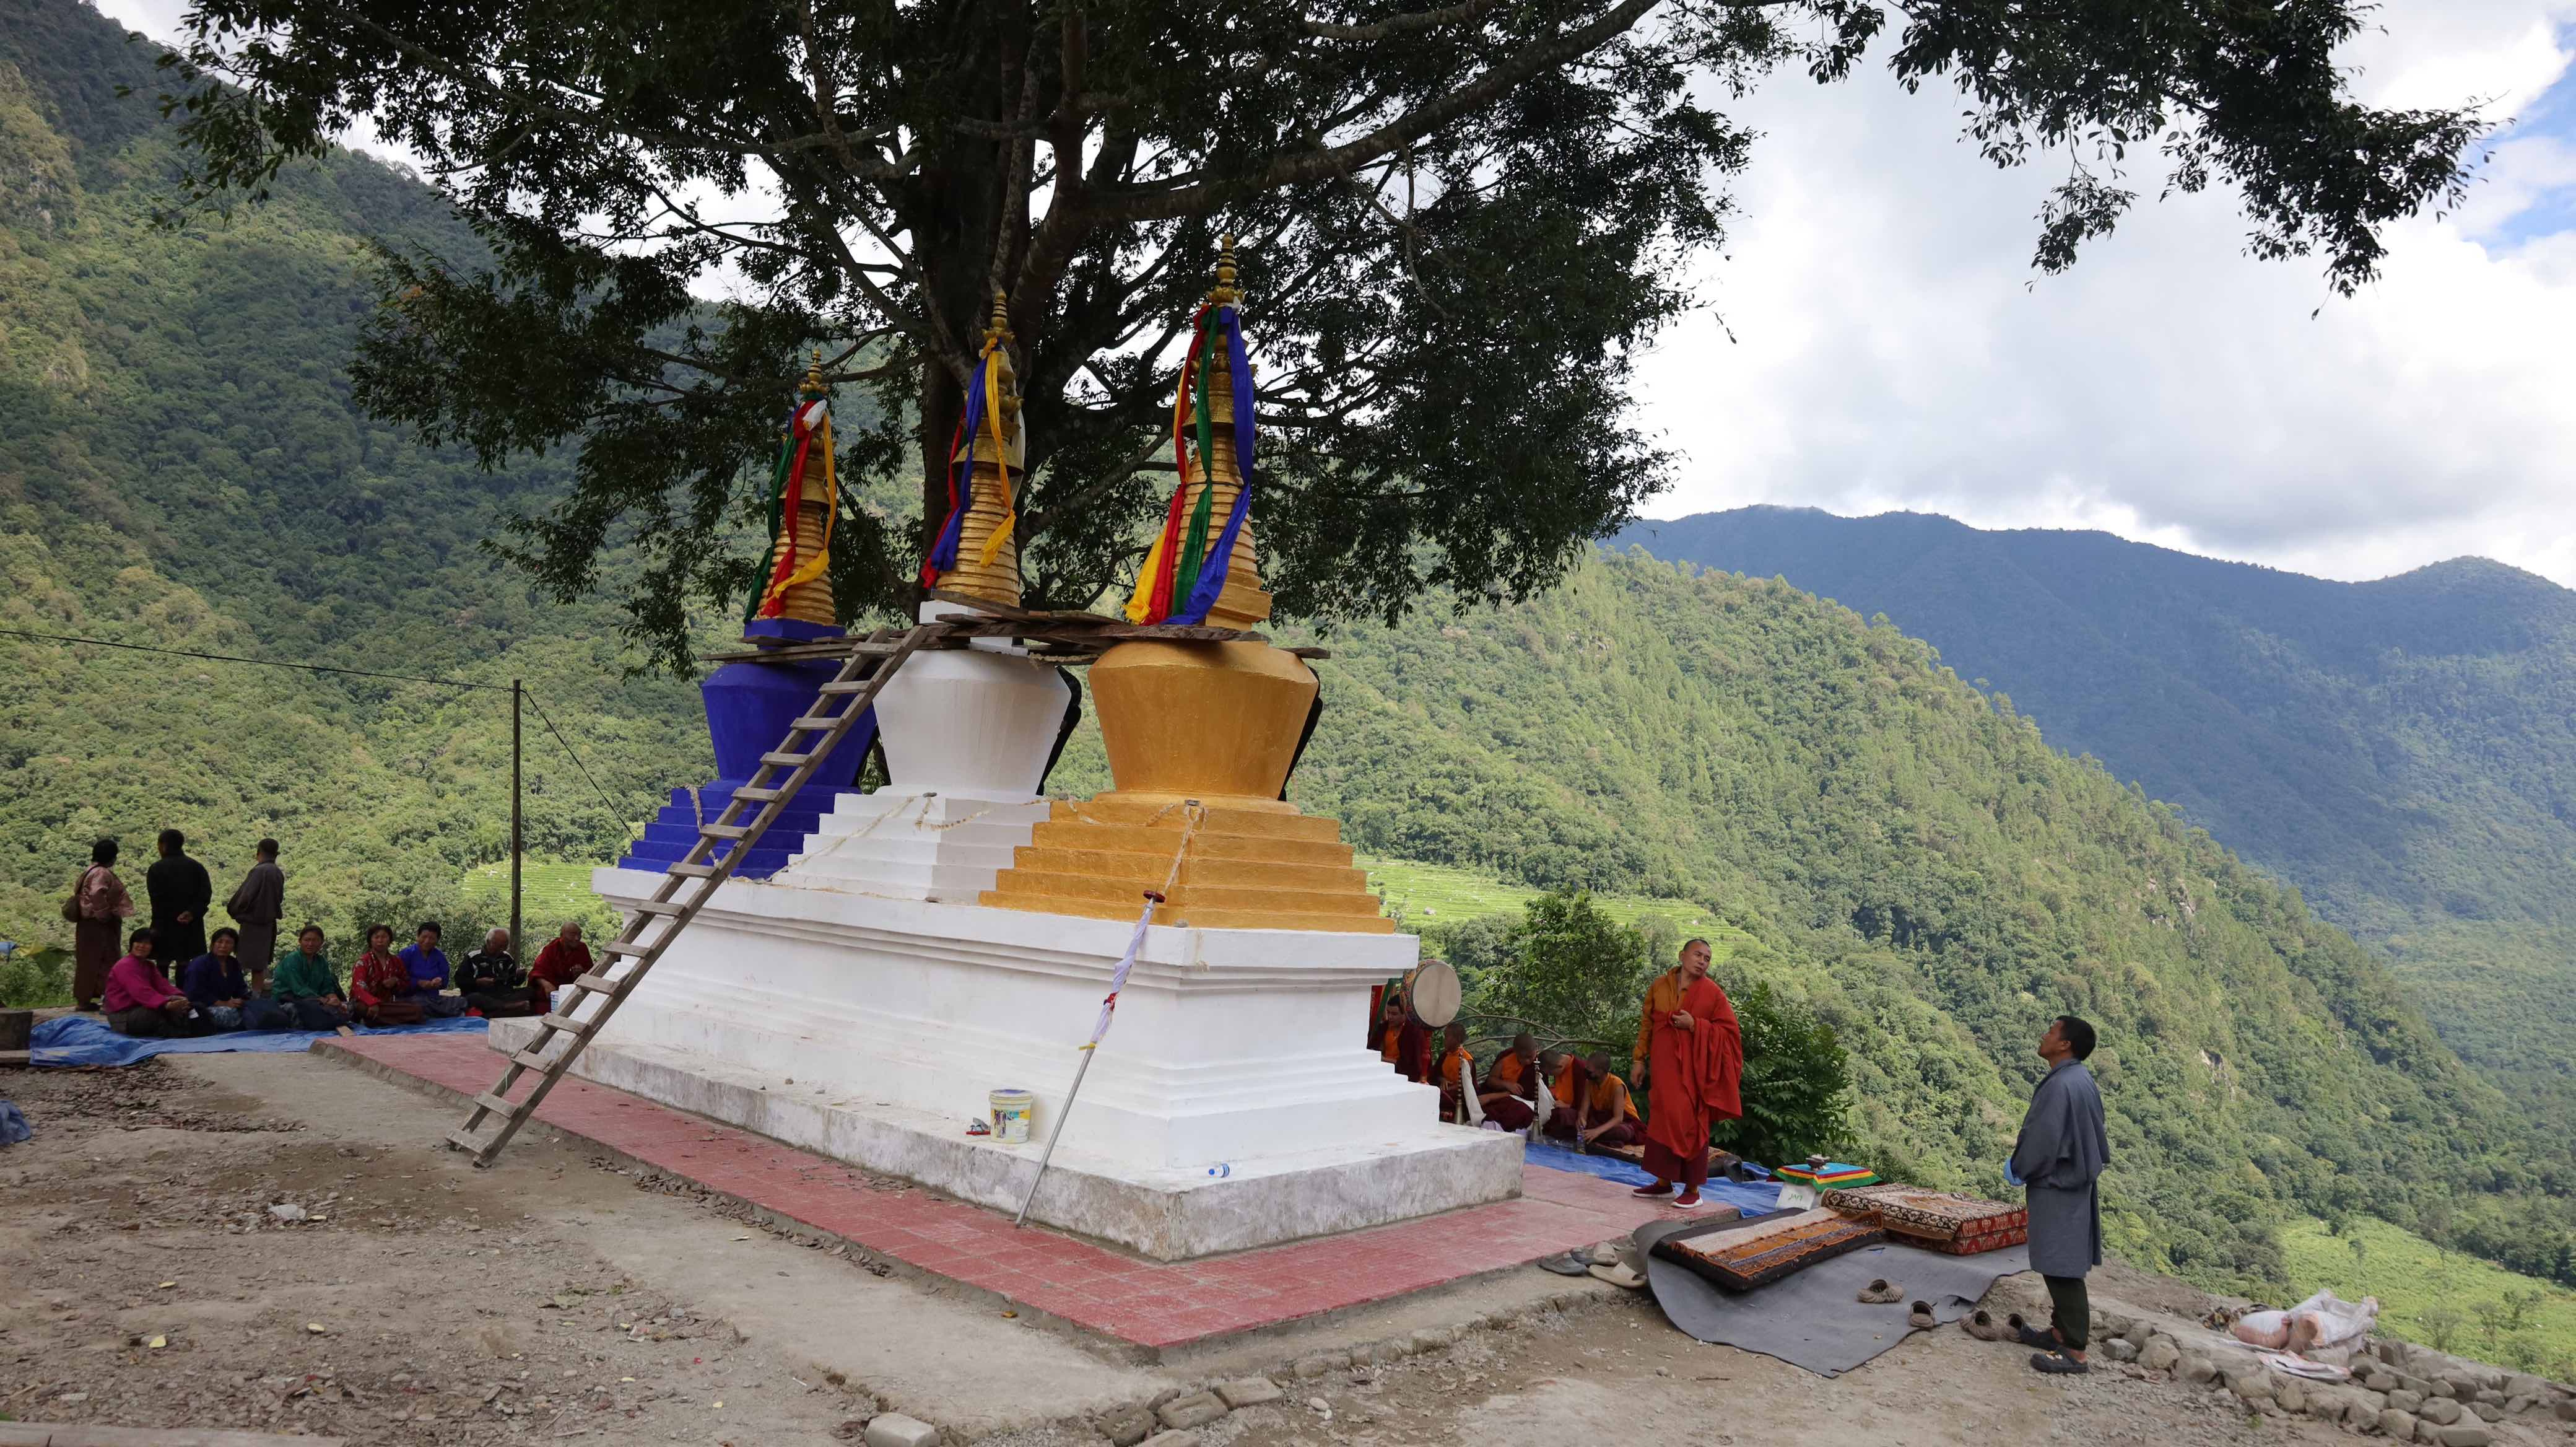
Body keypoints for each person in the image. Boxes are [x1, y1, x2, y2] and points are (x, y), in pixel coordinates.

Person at [2011, 1015, 2111, 1375]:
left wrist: (2020, 1166)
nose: (2044, 1035)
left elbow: (2043, 1138)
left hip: (2058, 1183)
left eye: (2052, 1031)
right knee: (2061, 1257)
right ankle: (2058, 1331)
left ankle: (2074, 1351)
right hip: (2073, 1181)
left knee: (2061, 1265)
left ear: (2065, 1044)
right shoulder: (2079, 1080)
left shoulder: (2060, 1085)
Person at [1630, 938, 1743, 1210]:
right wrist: (1638, 1060)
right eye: (1698, 955)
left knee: (1690, 1122)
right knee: (1662, 1118)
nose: (1702, 961)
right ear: (1682, 955)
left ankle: (1693, 1189)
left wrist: (1696, 1025)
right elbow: (1648, 1023)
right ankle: (1663, 1182)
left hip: (1694, 1070)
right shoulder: (1659, 986)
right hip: (1664, 1065)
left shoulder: (1713, 993)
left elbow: (1730, 1033)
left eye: (1707, 958)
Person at [102, 928, 209, 1038]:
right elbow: (141, 991)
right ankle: (180, 1032)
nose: (142, 946)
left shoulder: (149, 966)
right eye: (138, 942)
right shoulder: (125, 965)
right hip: (123, 1017)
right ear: (132, 943)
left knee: (190, 1007)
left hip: (141, 1009)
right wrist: (166, 1004)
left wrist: (181, 997)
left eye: (147, 943)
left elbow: (163, 985)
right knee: (160, 1012)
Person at [71, 837, 136, 1013]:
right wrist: (104, 915)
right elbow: (97, 894)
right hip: (99, 924)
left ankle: (84, 1000)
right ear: (112, 857)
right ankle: (110, 1001)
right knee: (108, 960)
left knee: (87, 961)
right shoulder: (102, 873)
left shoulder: (89, 870)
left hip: (86, 925)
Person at [224, 838, 286, 992]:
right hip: (269, 923)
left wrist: (234, 910)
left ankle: (234, 992)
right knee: (259, 964)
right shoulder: (278, 873)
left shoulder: (259, 871)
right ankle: (256, 996)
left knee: (241, 961)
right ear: (276, 854)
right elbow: (279, 898)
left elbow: (245, 897)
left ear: (258, 853)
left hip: (252, 923)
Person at [1546, 1052, 1643, 1151]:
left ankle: (1594, 1136)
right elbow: (1584, 1109)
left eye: (1589, 1069)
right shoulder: (1590, 1082)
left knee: (1622, 1132)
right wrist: (1581, 1119)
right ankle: (1596, 1137)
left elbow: (1618, 1118)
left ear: (1600, 1071)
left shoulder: (1617, 1085)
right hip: (1598, 1120)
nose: (1586, 1070)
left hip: (1622, 1123)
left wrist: (1596, 1132)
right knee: (1565, 1115)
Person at [145, 828, 212, 969]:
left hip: (164, 922)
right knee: (185, 962)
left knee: (162, 962)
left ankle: (162, 991)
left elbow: (156, 899)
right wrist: (192, 912)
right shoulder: (197, 867)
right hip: (190, 924)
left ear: (163, 845)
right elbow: (205, 895)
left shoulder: (156, 868)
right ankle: (184, 991)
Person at [269, 924, 352, 1030]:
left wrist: (334, 999)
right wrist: (325, 1001)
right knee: (300, 1010)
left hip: (315, 1000)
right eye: (307, 940)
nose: (310, 944)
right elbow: (299, 990)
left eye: (315, 940)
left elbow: (327, 986)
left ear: (321, 943)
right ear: (300, 941)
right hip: (288, 1000)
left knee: (345, 1007)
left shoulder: (321, 961)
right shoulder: (293, 959)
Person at [352, 924, 432, 1026]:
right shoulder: (363, 961)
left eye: (384, 937)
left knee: (417, 1010)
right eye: (376, 937)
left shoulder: (396, 961)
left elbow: (406, 983)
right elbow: (358, 988)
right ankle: (377, 1019)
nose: (380, 940)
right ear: (370, 941)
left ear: (389, 940)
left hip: (386, 1005)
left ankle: (374, 1021)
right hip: (366, 1004)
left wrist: (396, 981)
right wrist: (372, 1002)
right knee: (363, 1009)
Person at [180, 928, 255, 1031]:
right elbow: (194, 993)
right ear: (213, 944)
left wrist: (241, 1001)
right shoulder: (199, 964)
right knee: (231, 1015)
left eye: (228, 943)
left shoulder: (233, 963)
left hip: (228, 1007)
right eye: (220, 942)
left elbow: (241, 989)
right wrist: (222, 1003)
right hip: (201, 1009)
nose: (223, 946)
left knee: (255, 1009)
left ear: (234, 947)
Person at [457, 929, 541, 1016]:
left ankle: (501, 1010)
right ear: (489, 942)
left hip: (503, 996)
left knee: (530, 991)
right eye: (499, 946)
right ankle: (508, 1008)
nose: (501, 950)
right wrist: (478, 982)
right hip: (483, 996)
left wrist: (520, 976)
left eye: (505, 947)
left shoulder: (506, 957)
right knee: (474, 998)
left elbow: (515, 982)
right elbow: (460, 981)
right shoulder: (473, 957)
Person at [393, 921, 469, 1018]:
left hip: (433, 998)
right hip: (410, 998)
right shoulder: (406, 954)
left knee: (460, 1001)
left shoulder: (440, 957)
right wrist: (418, 983)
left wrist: (439, 981)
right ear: (418, 936)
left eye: (432, 938)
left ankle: (441, 1012)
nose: (427, 941)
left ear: (437, 940)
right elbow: (398, 979)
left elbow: (444, 980)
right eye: (424, 937)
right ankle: (452, 1012)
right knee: (419, 1003)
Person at [1478, 1032, 1544, 1130]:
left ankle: (1495, 1127)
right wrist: (1506, 1084)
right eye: (1522, 1057)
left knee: (1520, 1111)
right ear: (1515, 1052)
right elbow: (1491, 1080)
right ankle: (1491, 1125)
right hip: (1500, 1097)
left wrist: (1490, 1098)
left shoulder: (1539, 1064)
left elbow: (1525, 1095)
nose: (1527, 1061)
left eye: (1530, 1057)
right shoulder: (1506, 1056)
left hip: (1522, 1102)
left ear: (1536, 1048)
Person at [528, 921, 595, 1009]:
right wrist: (546, 984)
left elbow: (593, 973)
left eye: (579, 934)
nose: (577, 938)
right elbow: (536, 972)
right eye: (573, 934)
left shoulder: (582, 948)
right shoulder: (551, 949)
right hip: (553, 994)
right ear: (562, 935)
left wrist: (582, 972)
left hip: (573, 993)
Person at [1434, 1022, 1475, 1121]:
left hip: (1458, 1094)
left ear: (1458, 1039)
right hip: (1444, 1090)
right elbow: (1435, 1074)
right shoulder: (1445, 1055)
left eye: (1447, 1037)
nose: (1444, 1040)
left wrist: (1447, 1090)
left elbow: (1466, 1084)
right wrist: (1442, 1079)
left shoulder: (1466, 1059)